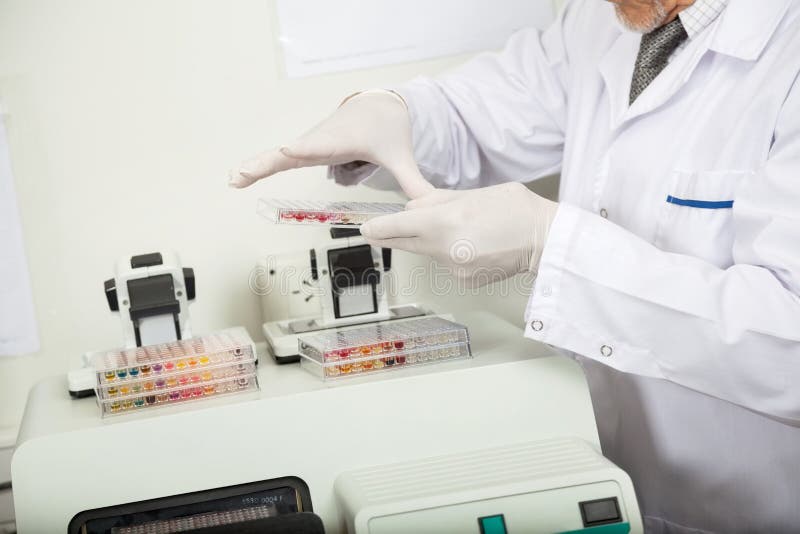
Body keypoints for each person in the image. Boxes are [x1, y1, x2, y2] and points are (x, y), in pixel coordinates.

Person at [229, 0, 800, 531]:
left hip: (751, 509)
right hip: (610, 479)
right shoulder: (602, 20)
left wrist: (547, 240)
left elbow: (788, 343)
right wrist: (393, 113)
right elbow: (485, 111)